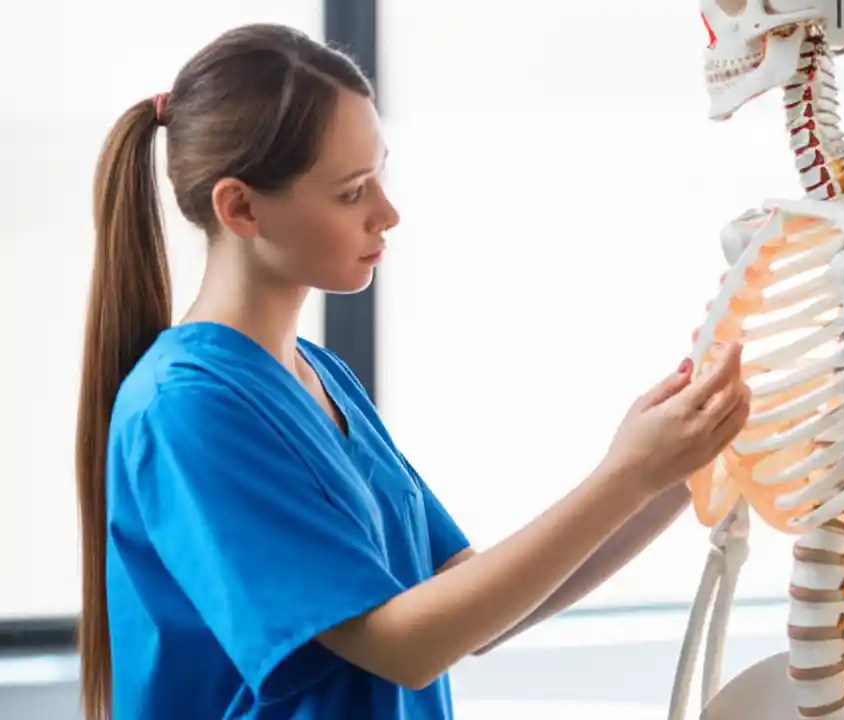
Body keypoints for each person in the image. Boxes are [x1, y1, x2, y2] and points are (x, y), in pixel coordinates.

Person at [74, 22, 750, 720]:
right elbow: (403, 646)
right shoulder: (186, 410)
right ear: (241, 208)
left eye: (380, 176)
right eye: (351, 192)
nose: (387, 214)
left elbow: (473, 606)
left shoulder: (321, 380)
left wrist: (682, 463)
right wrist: (627, 473)